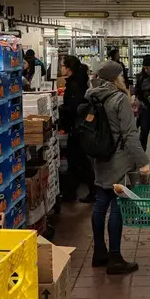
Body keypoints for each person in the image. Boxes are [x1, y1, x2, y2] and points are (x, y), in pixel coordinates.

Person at [84, 60, 150, 274]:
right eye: (120, 75)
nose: (123, 78)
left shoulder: (93, 95)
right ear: (115, 77)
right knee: (118, 204)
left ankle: (99, 252)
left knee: (101, 201)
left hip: (99, 155)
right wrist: (143, 162)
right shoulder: (119, 98)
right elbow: (130, 134)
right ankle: (115, 258)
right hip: (118, 158)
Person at [59, 55, 94, 203]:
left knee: (78, 161)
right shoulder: (79, 80)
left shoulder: (74, 84)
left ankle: (89, 192)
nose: (61, 68)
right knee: (78, 161)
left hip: (77, 127)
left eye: (62, 66)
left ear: (69, 68)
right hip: (80, 126)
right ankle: (73, 192)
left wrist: (61, 109)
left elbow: (74, 107)